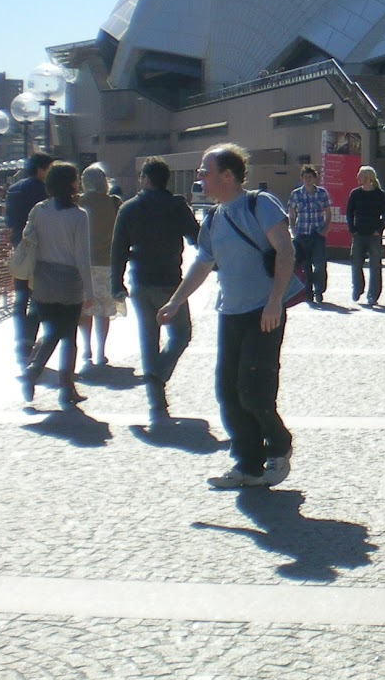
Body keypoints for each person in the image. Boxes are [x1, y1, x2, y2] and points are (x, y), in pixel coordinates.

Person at [159, 144, 298, 490]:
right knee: (228, 392)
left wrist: (275, 301)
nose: (199, 178)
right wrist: (176, 301)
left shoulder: (260, 205)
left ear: (227, 175)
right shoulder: (213, 218)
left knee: (254, 390)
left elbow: (285, 250)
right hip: (230, 312)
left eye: (204, 171)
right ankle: (248, 464)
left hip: (262, 312)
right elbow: (203, 263)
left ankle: (279, 446)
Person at [111, 157, 200, 424]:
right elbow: (197, 238)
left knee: (149, 338)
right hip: (171, 282)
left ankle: (155, 397)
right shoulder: (177, 206)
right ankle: (158, 374)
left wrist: (116, 283)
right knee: (181, 333)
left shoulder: (129, 208)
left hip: (140, 281)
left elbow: (118, 249)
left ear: (147, 179)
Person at [18, 162, 93, 409]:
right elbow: (82, 256)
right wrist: (90, 290)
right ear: (71, 184)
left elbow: (29, 240)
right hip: (69, 279)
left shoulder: (40, 210)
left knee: (51, 327)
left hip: (43, 277)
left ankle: (61, 384)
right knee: (67, 334)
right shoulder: (79, 215)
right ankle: (51, 378)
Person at [5, 151, 54, 368]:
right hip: (42, 249)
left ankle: (20, 340)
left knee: (20, 296)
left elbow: (9, 221)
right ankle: (29, 342)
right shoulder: (46, 191)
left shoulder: (14, 189)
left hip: (20, 248)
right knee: (36, 296)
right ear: (41, 169)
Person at [76, 163, 124, 368]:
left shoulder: (78, 202)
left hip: (83, 263)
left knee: (85, 309)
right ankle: (101, 351)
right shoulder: (114, 203)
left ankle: (86, 347)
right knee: (103, 311)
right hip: (107, 263)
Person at [287, 164, 332, 304]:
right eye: (305, 177)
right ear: (301, 178)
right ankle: (308, 293)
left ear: (314, 178)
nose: (308, 179)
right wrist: (293, 229)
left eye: (310, 177)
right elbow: (292, 214)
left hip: (317, 234)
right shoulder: (296, 194)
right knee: (305, 266)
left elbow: (328, 212)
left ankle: (319, 290)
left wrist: (325, 229)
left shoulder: (322, 193)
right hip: (302, 234)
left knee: (319, 264)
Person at [346, 165, 385, 306]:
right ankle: (358, 288)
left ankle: (373, 295)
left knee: (375, 266)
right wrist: (352, 229)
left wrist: (379, 230)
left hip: (374, 236)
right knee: (356, 263)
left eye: (360, 175)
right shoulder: (355, 193)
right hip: (359, 234)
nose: (357, 177)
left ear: (368, 178)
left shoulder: (379, 194)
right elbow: (349, 212)